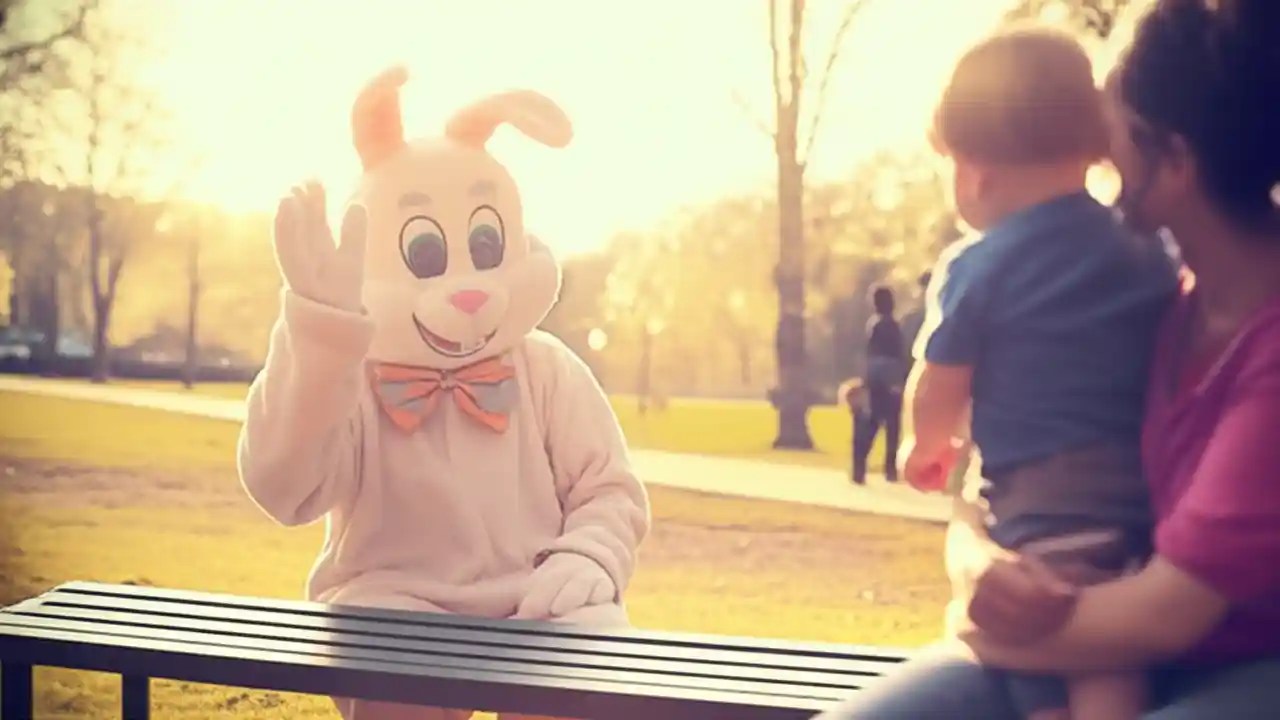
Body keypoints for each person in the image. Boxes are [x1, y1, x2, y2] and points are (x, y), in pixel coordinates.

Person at [814, 0, 1280, 717]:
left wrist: (975, 610)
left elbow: (1159, 617)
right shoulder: (1159, 295)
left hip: (1230, 657)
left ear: (1176, 162)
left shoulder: (1262, 353)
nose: (1093, 149)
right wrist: (978, 562)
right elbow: (988, 477)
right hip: (1081, 610)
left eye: (1109, 127)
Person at [898, 25, 1180, 720]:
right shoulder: (1145, 247)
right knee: (1108, 666)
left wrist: (924, 448)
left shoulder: (978, 264)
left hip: (1038, 511)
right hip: (1143, 508)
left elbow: (939, 379)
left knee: (1031, 634)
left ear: (972, 173)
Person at [853, 285, 906, 484]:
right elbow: (897, 355)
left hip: (876, 379)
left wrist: (866, 379)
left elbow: (870, 355)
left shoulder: (874, 324)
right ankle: (889, 469)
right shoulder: (891, 325)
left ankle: (860, 467)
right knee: (892, 426)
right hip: (890, 380)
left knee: (872, 423)